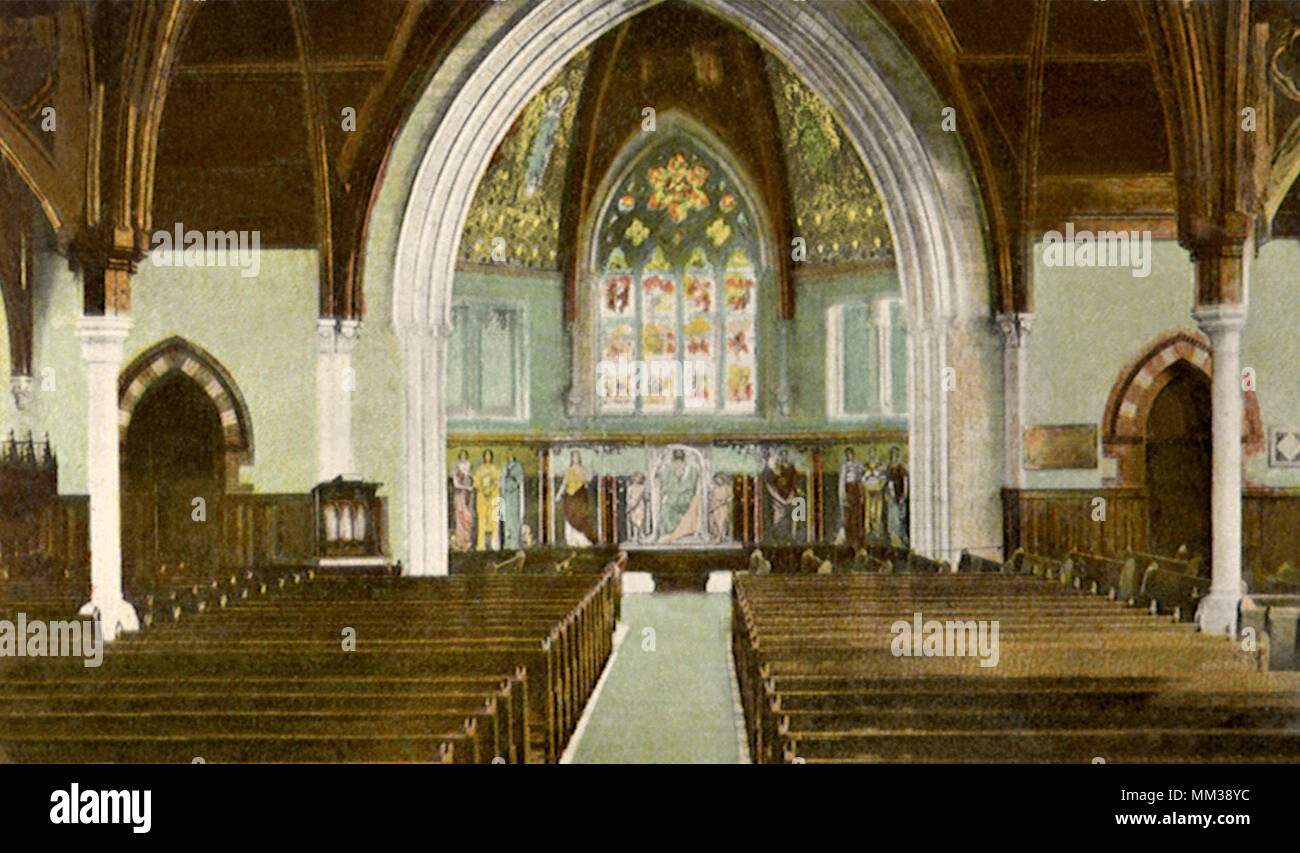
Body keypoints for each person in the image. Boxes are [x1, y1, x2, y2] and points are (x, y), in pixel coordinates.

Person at [658, 448, 700, 543]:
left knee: (690, 509)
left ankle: (686, 533)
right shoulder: (668, 469)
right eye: (676, 459)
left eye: (680, 459)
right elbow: (665, 485)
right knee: (667, 512)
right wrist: (676, 489)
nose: (679, 463)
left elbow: (692, 485)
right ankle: (671, 534)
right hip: (672, 498)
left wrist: (682, 489)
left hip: (686, 498)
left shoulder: (692, 469)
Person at [557, 450, 594, 546]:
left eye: (578, 457)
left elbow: (589, 479)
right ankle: (572, 540)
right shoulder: (568, 471)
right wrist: (558, 495)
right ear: (572, 458)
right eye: (574, 457)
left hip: (580, 497)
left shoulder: (583, 469)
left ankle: (581, 539)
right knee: (571, 517)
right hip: (570, 498)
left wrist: (587, 474)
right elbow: (564, 484)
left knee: (580, 517)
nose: (576, 459)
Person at [763, 448, 800, 542]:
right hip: (780, 502)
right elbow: (770, 487)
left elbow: (794, 485)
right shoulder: (776, 486)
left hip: (785, 501)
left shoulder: (789, 472)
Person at [474, 449, 501, 550]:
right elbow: (476, 483)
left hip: (492, 497)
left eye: (489, 455)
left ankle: (494, 544)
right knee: (482, 521)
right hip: (482, 498)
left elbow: (497, 482)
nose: (487, 457)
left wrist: (490, 490)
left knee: (494, 519)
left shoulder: (495, 469)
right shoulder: (480, 469)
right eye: (486, 455)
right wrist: (483, 490)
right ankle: (481, 545)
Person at [838, 448, 865, 549]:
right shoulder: (844, 466)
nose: (850, 456)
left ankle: (857, 538)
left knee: (857, 515)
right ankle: (850, 538)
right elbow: (842, 482)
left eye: (851, 454)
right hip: (849, 492)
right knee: (849, 516)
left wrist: (861, 495)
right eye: (848, 454)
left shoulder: (857, 465)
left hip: (856, 492)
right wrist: (843, 495)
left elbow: (860, 480)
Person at [499, 450, 525, 550]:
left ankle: (515, 543)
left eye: (511, 453)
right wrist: (504, 487)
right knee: (506, 518)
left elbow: (519, 479)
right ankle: (507, 542)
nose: (509, 455)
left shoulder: (518, 466)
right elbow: (502, 480)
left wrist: (512, 485)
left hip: (514, 495)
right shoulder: (505, 466)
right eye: (508, 453)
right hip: (506, 495)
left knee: (514, 518)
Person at [886, 445, 909, 548]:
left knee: (901, 519)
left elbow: (905, 481)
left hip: (900, 495)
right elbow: (888, 482)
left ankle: (902, 540)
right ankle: (895, 542)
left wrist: (904, 495)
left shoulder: (901, 467)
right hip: (892, 496)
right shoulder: (889, 467)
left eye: (896, 454)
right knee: (893, 520)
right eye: (893, 454)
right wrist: (890, 494)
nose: (894, 456)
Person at [451, 450, 475, 551]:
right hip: (460, 495)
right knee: (460, 517)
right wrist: (464, 487)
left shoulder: (470, 471)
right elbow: (456, 484)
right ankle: (460, 541)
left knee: (468, 518)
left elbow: (472, 483)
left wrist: (469, 487)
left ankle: (467, 541)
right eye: (461, 456)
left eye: (465, 456)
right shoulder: (456, 470)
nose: (463, 458)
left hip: (468, 496)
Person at [863, 447, 887, 541]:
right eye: (870, 453)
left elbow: (883, 478)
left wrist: (879, 485)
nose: (872, 455)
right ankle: (869, 530)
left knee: (877, 511)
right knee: (869, 511)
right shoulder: (866, 466)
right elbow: (863, 479)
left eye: (874, 453)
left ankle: (876, 531)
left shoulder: (880, 466)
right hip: (869, 490)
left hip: (877, 490)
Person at [624, 472, 651, 543]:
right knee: (634, 521)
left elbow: (646, 498)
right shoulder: (630, 488)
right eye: (636, 477)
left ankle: (640, 535)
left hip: (640, 506)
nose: (637, 479)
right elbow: (628, 498)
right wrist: (630, 505)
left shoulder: (642, 488)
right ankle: (635, 536)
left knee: (640, 521)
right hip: (632, 506)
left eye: (639, 478)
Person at [708, 472, 733, 542]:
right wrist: (712, 505)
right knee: (715, 520)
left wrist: (725, 501)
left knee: (721, 521)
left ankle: (719, 537)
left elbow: (730, 497)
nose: (718, 480)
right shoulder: (714, 487)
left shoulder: (727, 487)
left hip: (723, 506)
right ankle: (717, 535)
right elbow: (712, 497)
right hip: (716, 505)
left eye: (719, 479)